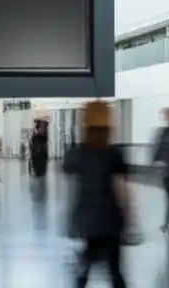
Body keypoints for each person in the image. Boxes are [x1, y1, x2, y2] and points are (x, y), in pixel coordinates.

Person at [63, 101, 133, 288]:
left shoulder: (78, 153)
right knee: (115, 271)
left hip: (87, 218)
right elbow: (122, 190)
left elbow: (68, 170)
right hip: (110, 218)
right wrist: (129, 217)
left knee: (84, 270)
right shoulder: (114, 153)